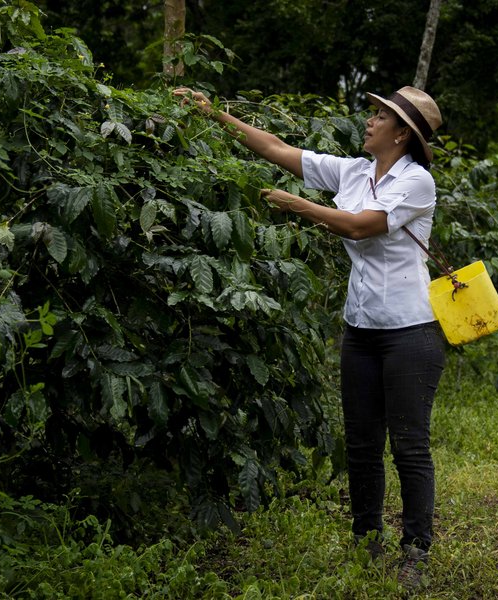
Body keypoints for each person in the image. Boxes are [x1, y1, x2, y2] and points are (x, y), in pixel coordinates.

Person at [173, 85, 446, 591]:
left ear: (402, 133)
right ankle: (367, 540)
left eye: (380, 116)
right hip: (360, 328)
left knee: (409, 445)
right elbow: (277, 149)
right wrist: (216, 117)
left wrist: (298, 205)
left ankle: (416, 550)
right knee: (362, 445)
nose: (369, 121)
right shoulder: (355, 171)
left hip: (411, 332)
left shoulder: (417, 183)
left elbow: (363, 226)